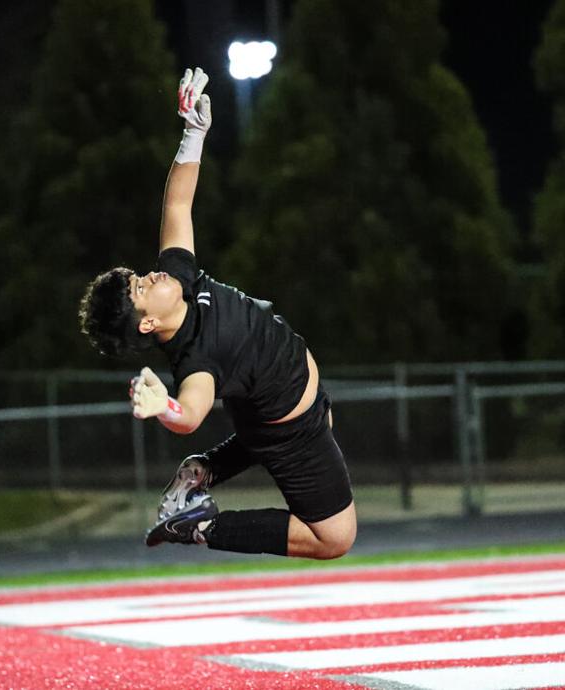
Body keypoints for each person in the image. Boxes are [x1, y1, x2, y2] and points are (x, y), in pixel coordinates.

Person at [77, 68, 356, 560]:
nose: (152, 276)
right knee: (334, 539)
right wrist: (165, 405)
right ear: (147, 323)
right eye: (143, 288)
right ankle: (201, 525)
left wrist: (193, 134)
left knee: (311, 427)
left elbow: (178, 204)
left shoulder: (178, 280)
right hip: (287, 429)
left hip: (283, 408)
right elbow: (191, 412)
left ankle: (201, 472)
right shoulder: (197, 359)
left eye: (142, 275)